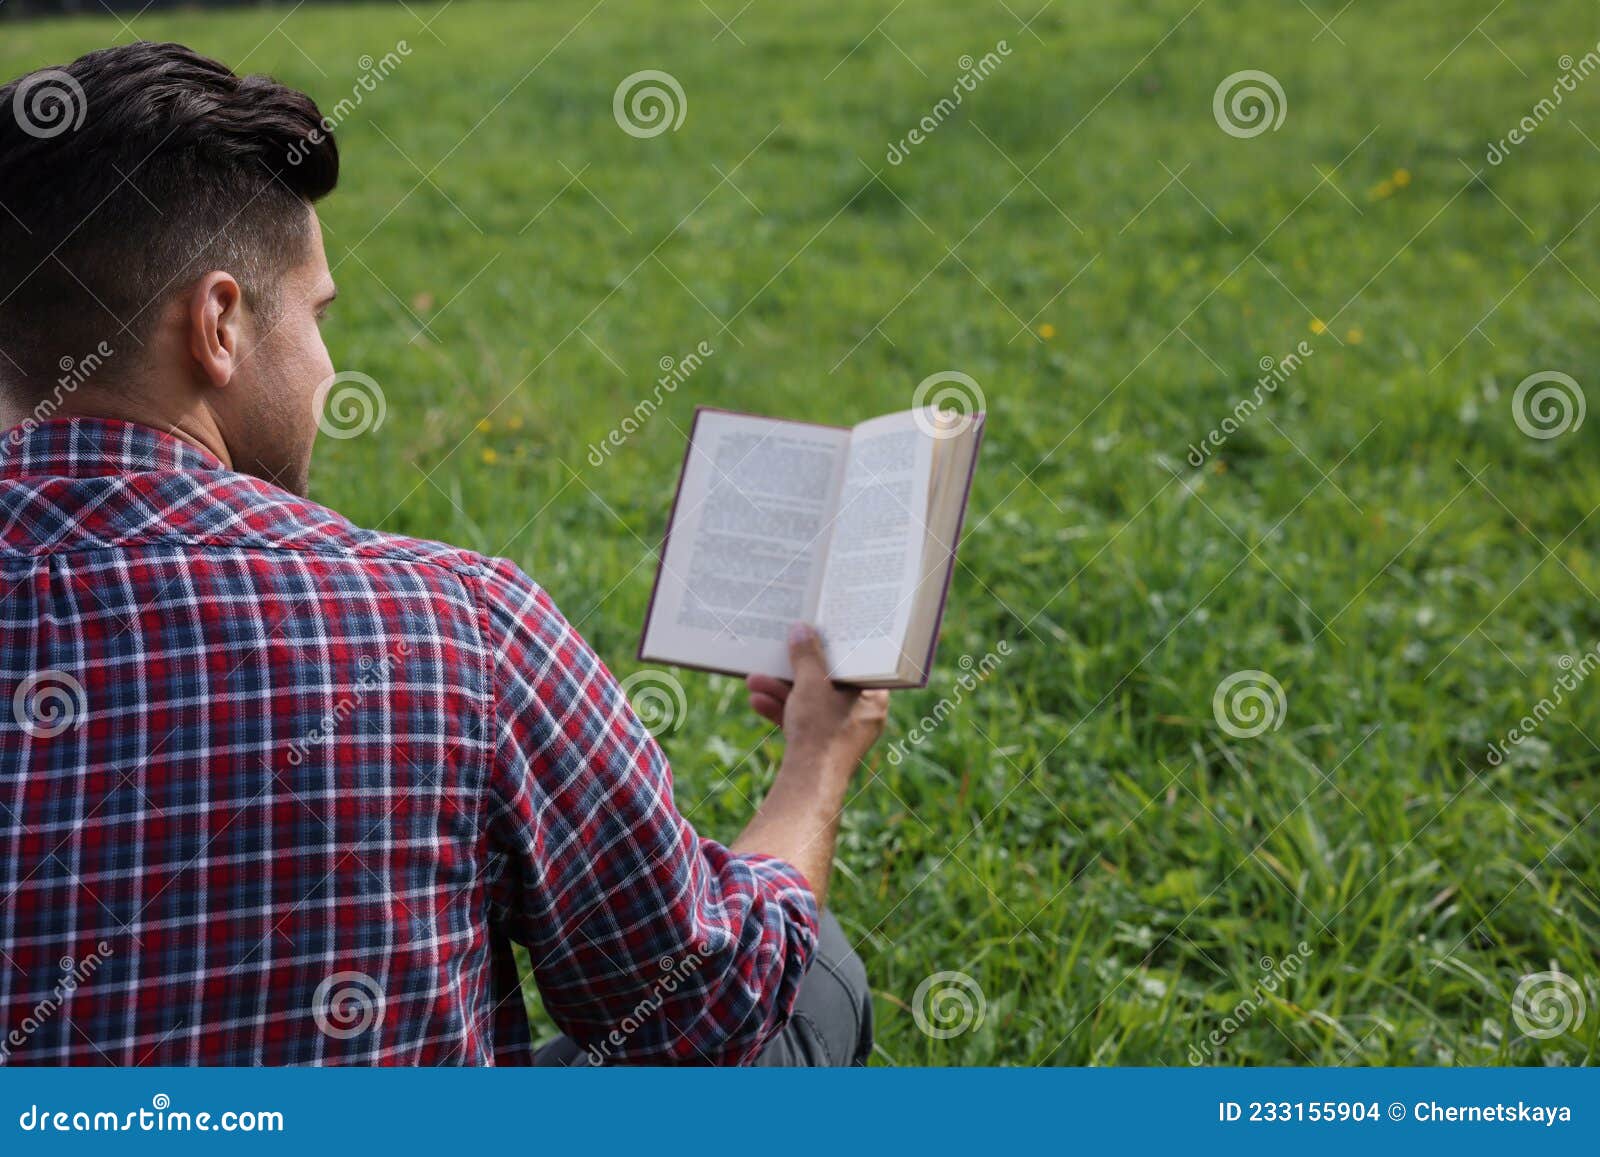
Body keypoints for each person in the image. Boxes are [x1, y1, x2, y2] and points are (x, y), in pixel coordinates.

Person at [0, 41, 886, 1066]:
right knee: (811, 976)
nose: (330, 365)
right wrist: (814, 763)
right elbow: (705, 1008)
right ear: (219, 325)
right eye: (318, 313)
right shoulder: (456, 624)